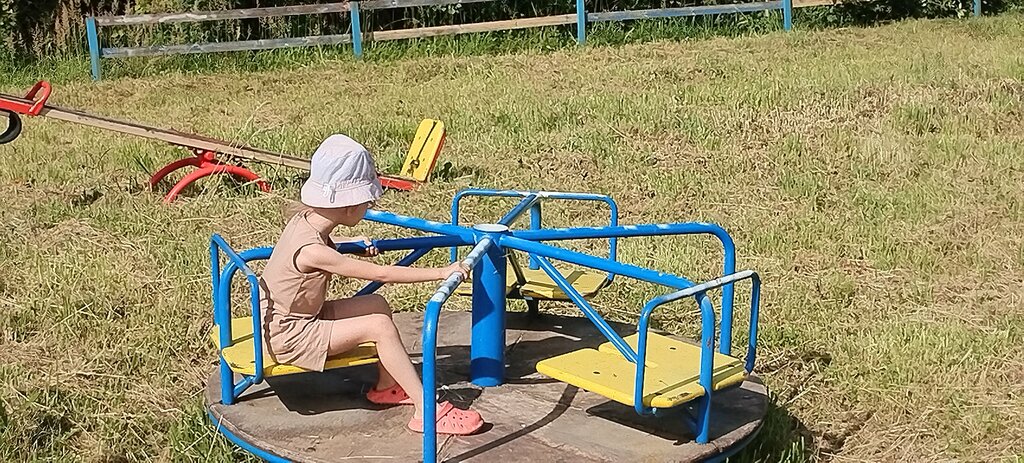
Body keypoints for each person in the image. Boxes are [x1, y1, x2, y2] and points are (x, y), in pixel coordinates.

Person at [258, 134, 484, 435]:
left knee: (376, 304)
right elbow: (382, 275)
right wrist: (442, 272)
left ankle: (387, 385)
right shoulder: (314, 252)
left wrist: (348, 242)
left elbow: (319, 244)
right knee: (379, 326)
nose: (369, 206)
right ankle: (426, 411)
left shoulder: (304, 220)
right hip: (290, 336)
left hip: (290, 319)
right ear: (349, 206)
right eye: (367, 201)